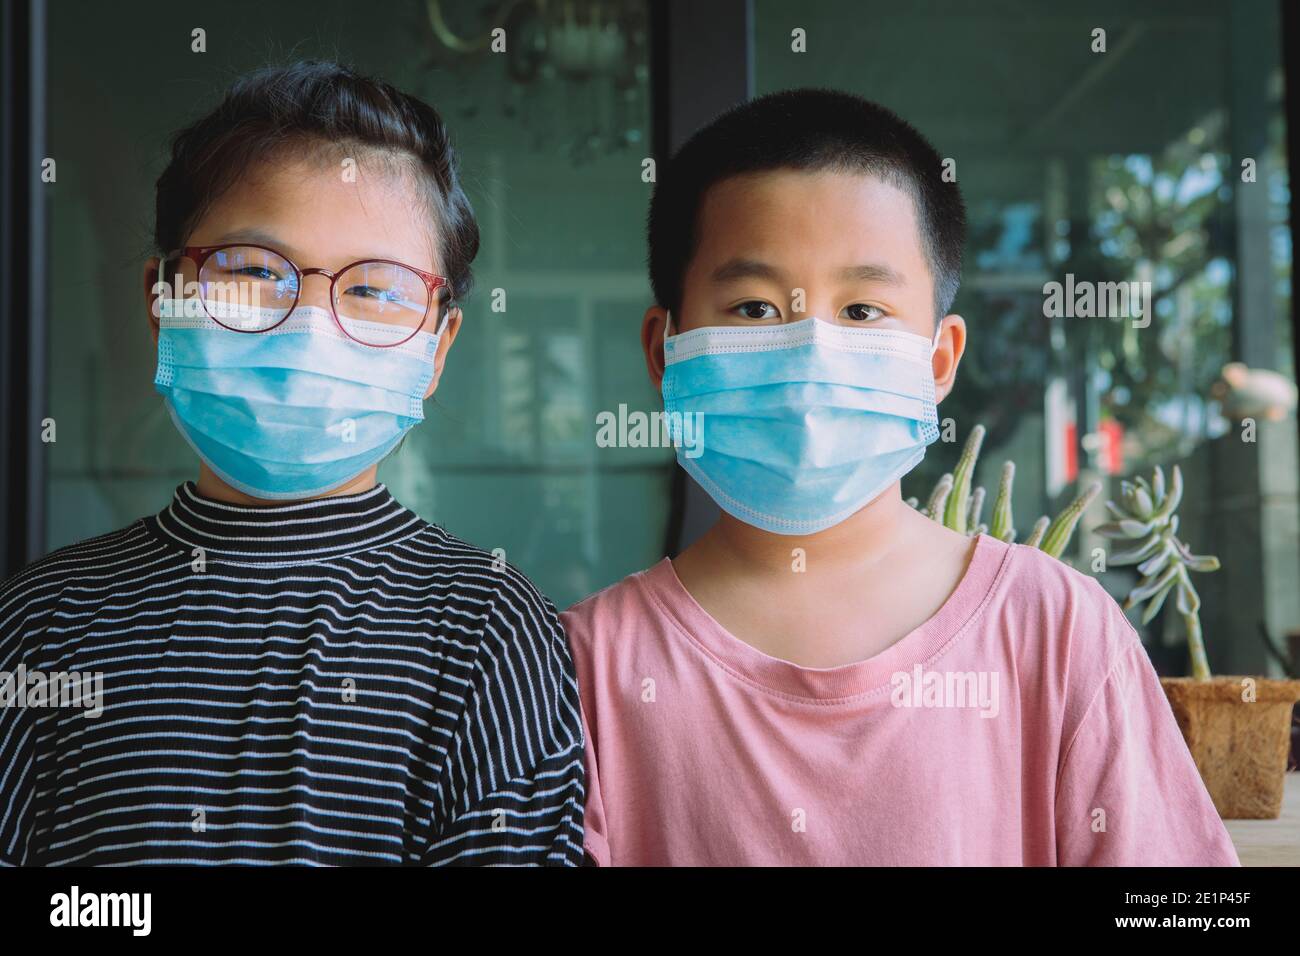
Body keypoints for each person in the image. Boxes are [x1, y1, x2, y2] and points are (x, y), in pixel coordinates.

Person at [564, 88, 1239, 866]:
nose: (812, 351)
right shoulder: (586, 669)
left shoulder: (1055, 632)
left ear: (940, 359)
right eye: (753, 308)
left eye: (861, 311)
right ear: (664, 351)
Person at [0, 61, 584, 866]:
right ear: (160, 299)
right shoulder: (40, 623)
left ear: (439, 346)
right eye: (251, 273)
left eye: (375, 290)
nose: (309, 325)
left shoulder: (490, 632)